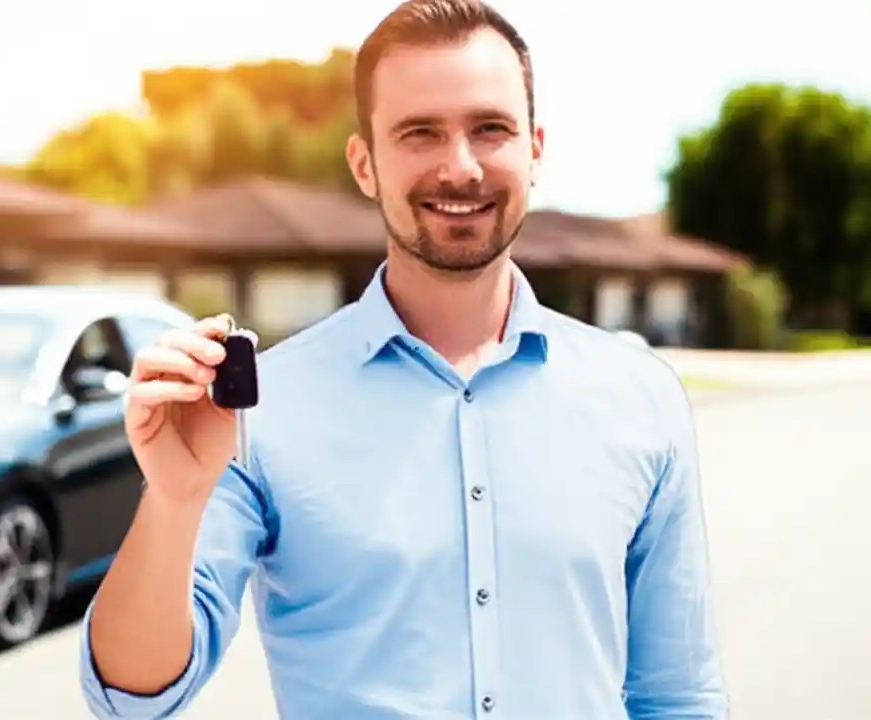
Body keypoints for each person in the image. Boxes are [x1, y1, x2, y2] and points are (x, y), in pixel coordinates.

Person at [78, 0, 728, 717]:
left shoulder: (640, 397)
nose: (461, 167)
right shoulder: (259, 410)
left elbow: (678, 695)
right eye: (420, 133)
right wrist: (173, 501)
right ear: (365, 163)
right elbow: (132, 699)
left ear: (535, 149)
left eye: (491, 129)